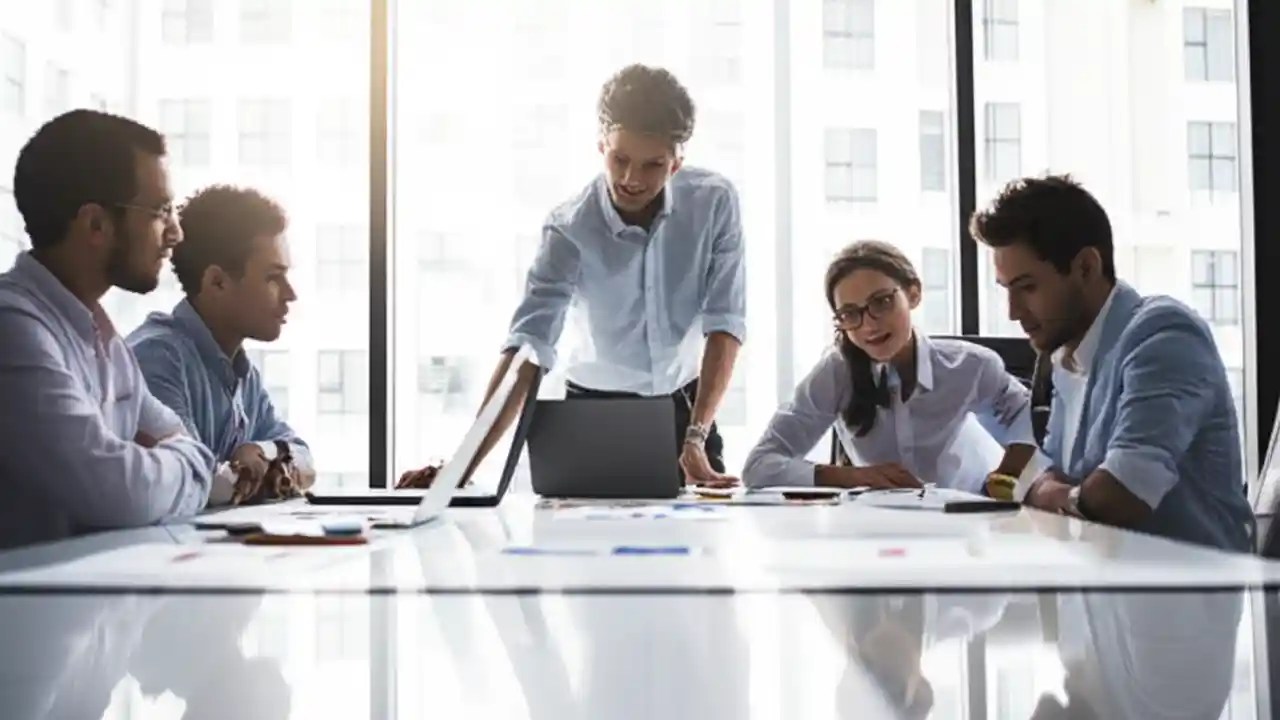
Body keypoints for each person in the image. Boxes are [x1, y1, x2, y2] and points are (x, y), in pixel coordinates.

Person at [401, 63, 746, 487]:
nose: (631, 179)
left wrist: (697, 435)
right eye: (620, 159)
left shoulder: (714, 202)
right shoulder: (568, 228)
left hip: (689, 413)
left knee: (701, 545)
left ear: (676, 163)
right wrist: (461, 467)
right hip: (592, 416)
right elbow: (528, 352)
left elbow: (725, 323)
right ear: (601, 144)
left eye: (652, 165)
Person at [973, 174, 1253, 551]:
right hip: (1101, 592)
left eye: (1028, 288)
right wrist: (1055, 491)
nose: (1012, 312)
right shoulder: (1068, 357)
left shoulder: (1164, 335)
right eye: (1007, 290)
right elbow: (1042, 472)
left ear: (1086, 267)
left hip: (1183, 596)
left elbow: (1121, 495)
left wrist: (1053, 495)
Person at [0, 109, 215, 548]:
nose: (175, 233)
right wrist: (188, 465)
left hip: (80, 605)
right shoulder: (13, 327)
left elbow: (184, 441)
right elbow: (120, 492)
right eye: (160, 211)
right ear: (95, 224)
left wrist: (178, 461)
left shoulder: (101, 335)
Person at [743, 241, 1036, 492]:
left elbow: (1030, 415)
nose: (869, 325)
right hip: (883, 528)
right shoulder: (836, 372)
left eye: (881, 302)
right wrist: (852, 477)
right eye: (850, 314)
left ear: (913, 294)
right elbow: (759, 466)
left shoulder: (969, 366)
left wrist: (1007, 476)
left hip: (970, 523)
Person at [128, 185, 312, 506]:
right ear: (217, 282)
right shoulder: (158, 358)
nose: (290, 294)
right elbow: (195, 480)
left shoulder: (242, 372)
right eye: (273, 277)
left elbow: (305, 460)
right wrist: (258, 472)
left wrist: (263, 451)